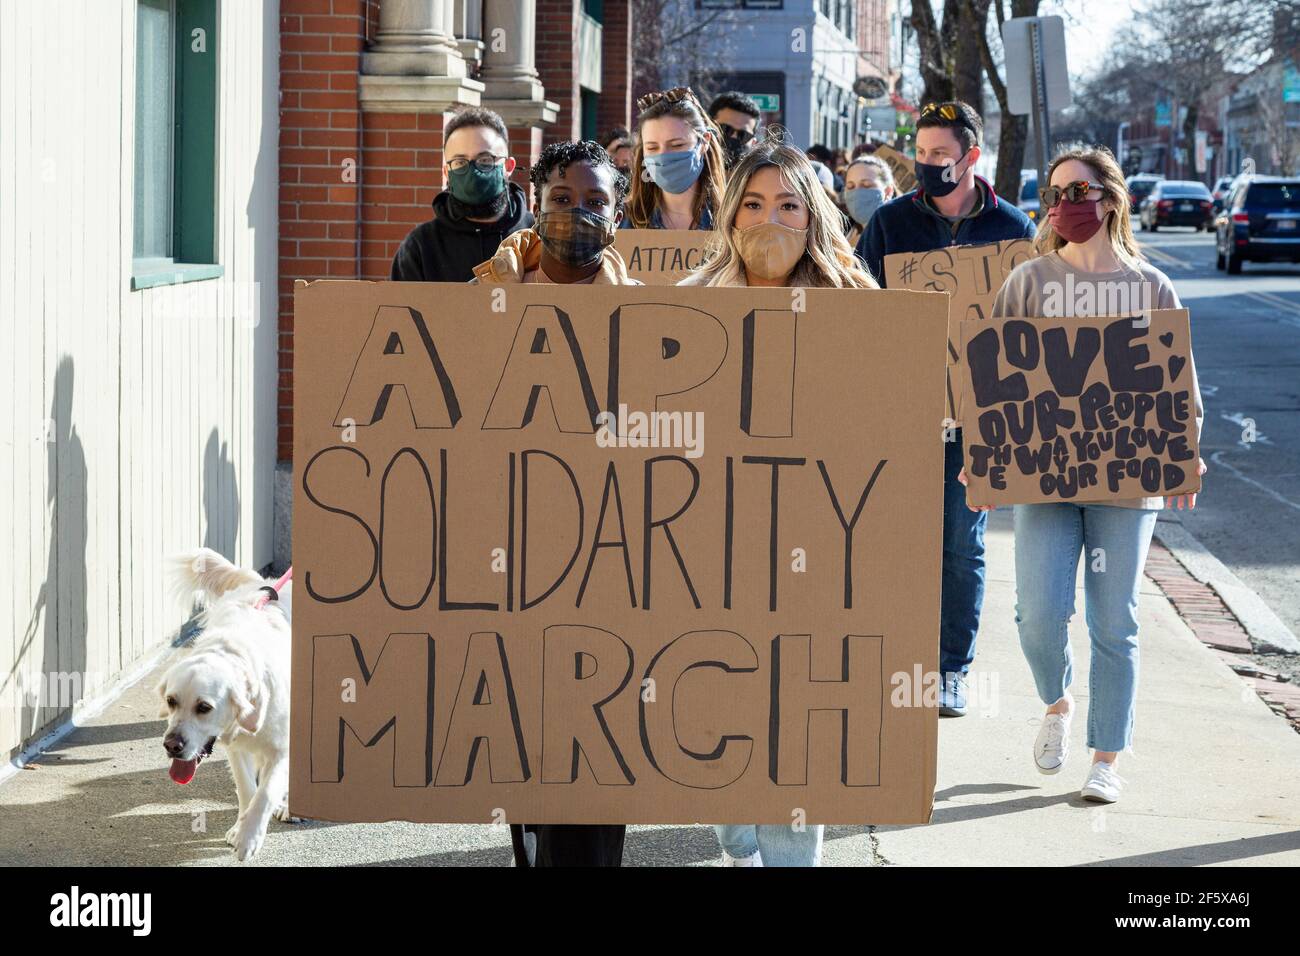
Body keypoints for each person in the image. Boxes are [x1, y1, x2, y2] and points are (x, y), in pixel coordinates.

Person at [966, 145, 1205, 804]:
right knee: (1038, 615)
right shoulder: (1029, 281)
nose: (1069, 203)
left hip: (1127, 483)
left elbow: (1177, 379)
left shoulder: (1150, 285)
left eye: (1082, 190)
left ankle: (1106, 757)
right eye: (1059, 191)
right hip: (1045, 478)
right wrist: (984, 458)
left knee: (1115, 621)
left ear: (1111, 199)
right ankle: (1059, 703)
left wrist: (1186, 450)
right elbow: (998, 382)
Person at [681, 138, 877, 864]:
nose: (770, 219)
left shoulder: (859, 305)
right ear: (732, 218)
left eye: (788, 205)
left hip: (818, 550)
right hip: (712, 553)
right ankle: (738, 844)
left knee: (796, 718)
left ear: (812, 217)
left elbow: (888, 427)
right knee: (725, 707)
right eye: (755, 204)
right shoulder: (692, 306)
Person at [472, 142, 638, 863]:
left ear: (619, 214)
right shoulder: (482, 301)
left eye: (596, 201)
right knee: (525, 740)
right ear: (536, 206)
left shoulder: (656, 320)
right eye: (563, 200)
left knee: (600, 753)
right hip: (509, 556)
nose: (578, 213)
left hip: (613, 562)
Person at [855, 100, 1035, 717]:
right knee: (899, 537)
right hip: (903, 409)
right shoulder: (889, 223)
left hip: (979, 417)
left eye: (941, 156)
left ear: (971, 158)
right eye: (921, 154)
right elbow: (860, 302)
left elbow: (1028, 330)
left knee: (962, 543)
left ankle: (951, 669)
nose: (928, 166)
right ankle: (898, 656)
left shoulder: (1012, 227)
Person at [390, 107, 533, 282]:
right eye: (460, 162)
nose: (473, 171)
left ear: (508, 166)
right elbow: (400, 308)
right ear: (446, 172)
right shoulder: (420, 247)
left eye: (485, 159)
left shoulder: (536, 237)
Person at [623, 86, 725, 230]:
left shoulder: (731, 220)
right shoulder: (621, 220)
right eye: (652, 148)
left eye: (677, 145)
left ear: (704, 143)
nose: (663, 155)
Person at [841, 155, 895, 246]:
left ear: (887, 191)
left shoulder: (900, 235)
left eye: (866, 185)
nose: (857, 192)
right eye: (851, 187)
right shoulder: (842, 233)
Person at [707, 90, 761, 167]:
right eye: (726, 129)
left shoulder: (762, 177)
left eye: (743, 135)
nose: (733, 137)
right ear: (709, 128)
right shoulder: (689, 172)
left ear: (753, 143)